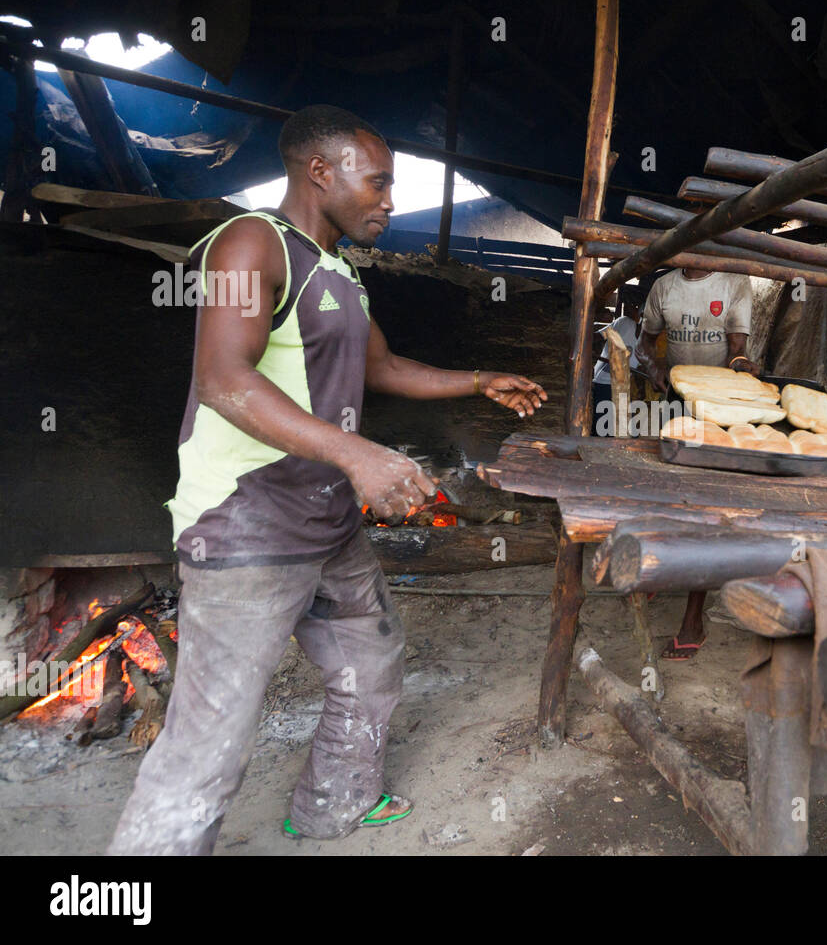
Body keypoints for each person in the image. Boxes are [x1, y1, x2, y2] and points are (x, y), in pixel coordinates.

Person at [108, 105, 547, 854]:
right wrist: (356, 454)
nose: (389, 200)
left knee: (370, 661)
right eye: (377, 183)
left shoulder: (337, 271)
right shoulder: (252, 244)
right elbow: (222, 378)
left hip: (325, 523)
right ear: (320, 171)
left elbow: (382, 368)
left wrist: (481, 378)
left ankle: (332, 805)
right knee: (208, 744)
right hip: (247, 528)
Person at [634, 266, 759, 660]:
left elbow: (737, 348)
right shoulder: (664, 287)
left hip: (719, 407)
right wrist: (654, 367)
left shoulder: (735, 282)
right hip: (676, 400)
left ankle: (693, 620)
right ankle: (660, 567)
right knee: (667, 491)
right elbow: (644, 343)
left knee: (707, 510)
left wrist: (740, 363)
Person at [591, 299, 644, 417]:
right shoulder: (623, 323)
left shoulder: (648, 345)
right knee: (600, 428)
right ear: (642, 316)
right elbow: (597, 337)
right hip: (601, 383)